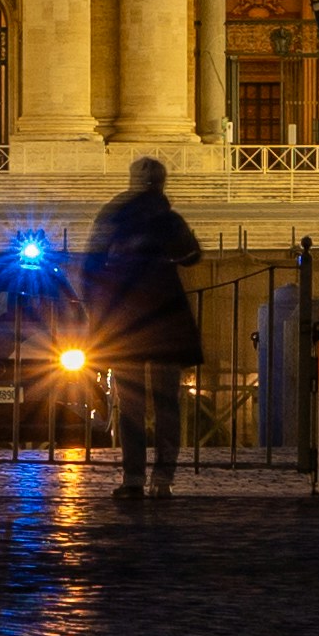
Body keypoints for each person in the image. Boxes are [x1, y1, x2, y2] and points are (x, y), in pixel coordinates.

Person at [94, 161, 206, 479]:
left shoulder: (114, 215)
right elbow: (191, 255)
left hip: (126, 320)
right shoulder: (167, 218)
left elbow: (92, 262)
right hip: (164, 321)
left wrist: (99, 310)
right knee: (166, 402)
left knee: (130, 404)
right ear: (161, 183)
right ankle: (163, 477)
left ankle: (133, 477)